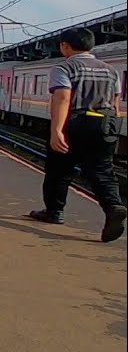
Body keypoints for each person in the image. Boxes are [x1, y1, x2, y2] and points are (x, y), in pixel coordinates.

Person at [27, 27, 125, 242]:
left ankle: (54, 211)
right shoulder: (111, 71)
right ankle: (113, 206)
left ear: (65, 46)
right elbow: (115, 102)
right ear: (91, 46)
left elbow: (62, 98)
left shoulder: (64, 67)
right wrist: (111, 128)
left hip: (76, 122)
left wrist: (56, 131)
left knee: (59, 170)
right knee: (102, 171)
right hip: (105, 124)